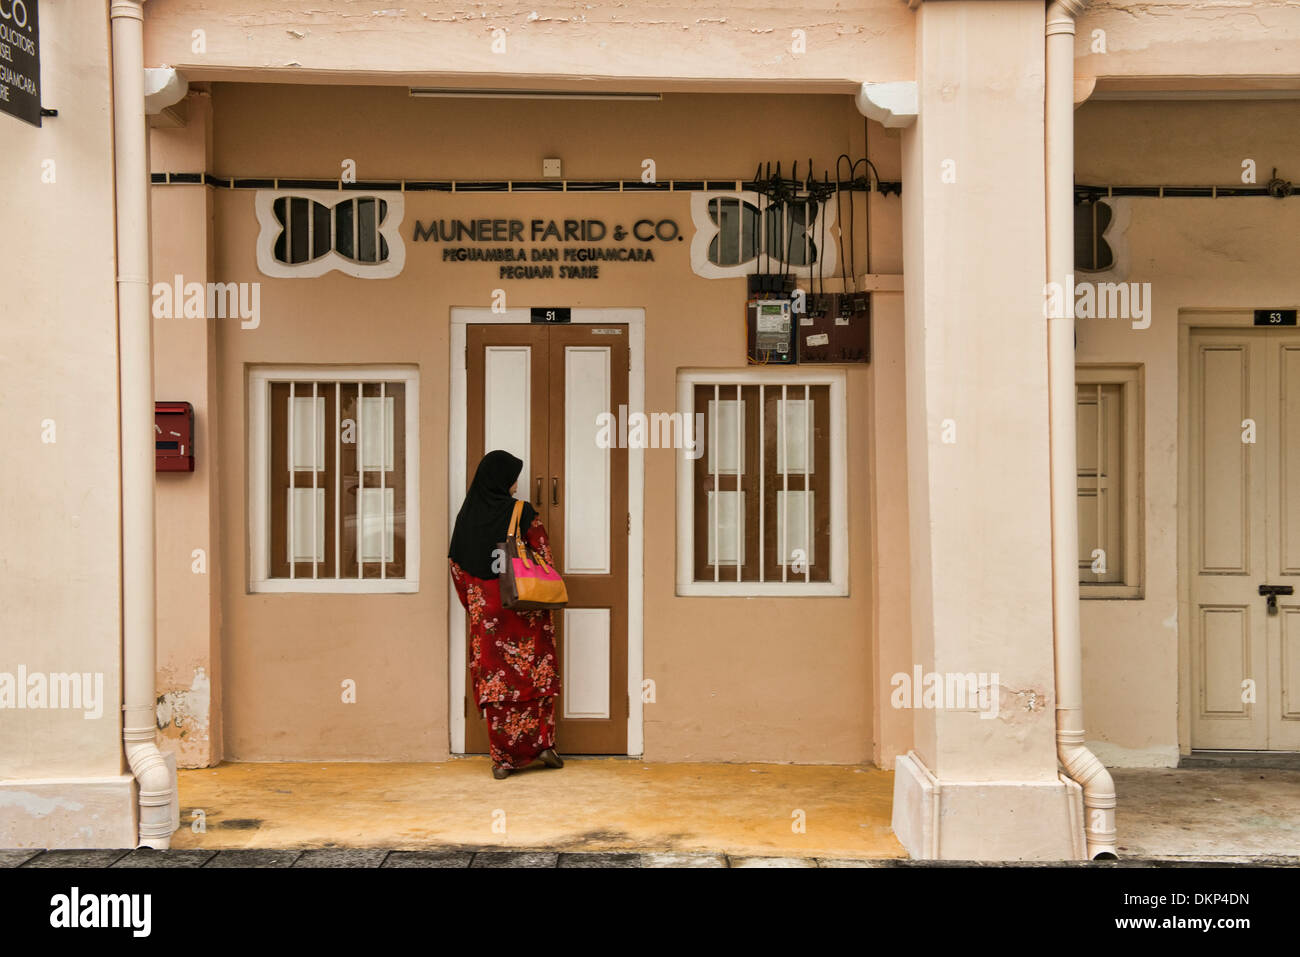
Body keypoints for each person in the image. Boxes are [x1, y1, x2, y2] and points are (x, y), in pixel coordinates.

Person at [448, 449, 564, 779]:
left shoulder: (465, 517)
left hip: (487, 618)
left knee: (498, 686)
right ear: (504, 479)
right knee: (535, 678)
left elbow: (457, 568)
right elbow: (544, 558)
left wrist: (477, 604)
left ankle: (503, 760)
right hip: (525, 610)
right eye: (513, 477)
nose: (515, 483)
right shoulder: (522, 513)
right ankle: (543, 744)